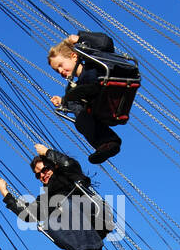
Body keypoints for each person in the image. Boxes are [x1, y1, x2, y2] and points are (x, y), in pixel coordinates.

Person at [0, 143, 113, 250]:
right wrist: (6, 194)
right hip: (77, 229)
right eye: (38, 174)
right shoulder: (47, 198)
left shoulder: (67, 174)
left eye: (45, 170)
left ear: (54, 166)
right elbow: (28, 215)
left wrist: (47, 152)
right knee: (48, 224)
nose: (42, 175)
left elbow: (68, 164)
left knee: (63, 203)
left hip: (93, 213)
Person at [48, 31, 124, 164]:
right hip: (97, 96)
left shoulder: (91, 59)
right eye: (56, 70)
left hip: (111, 74)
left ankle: (90, 88)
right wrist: (63, 102)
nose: (60, 71)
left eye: (60, 65)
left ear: (74, 57)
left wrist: (81, 38)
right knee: (80, 120)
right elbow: (75, 100)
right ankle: (107, 143)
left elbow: (106, 43)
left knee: (79, 86)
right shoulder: (74, 87)